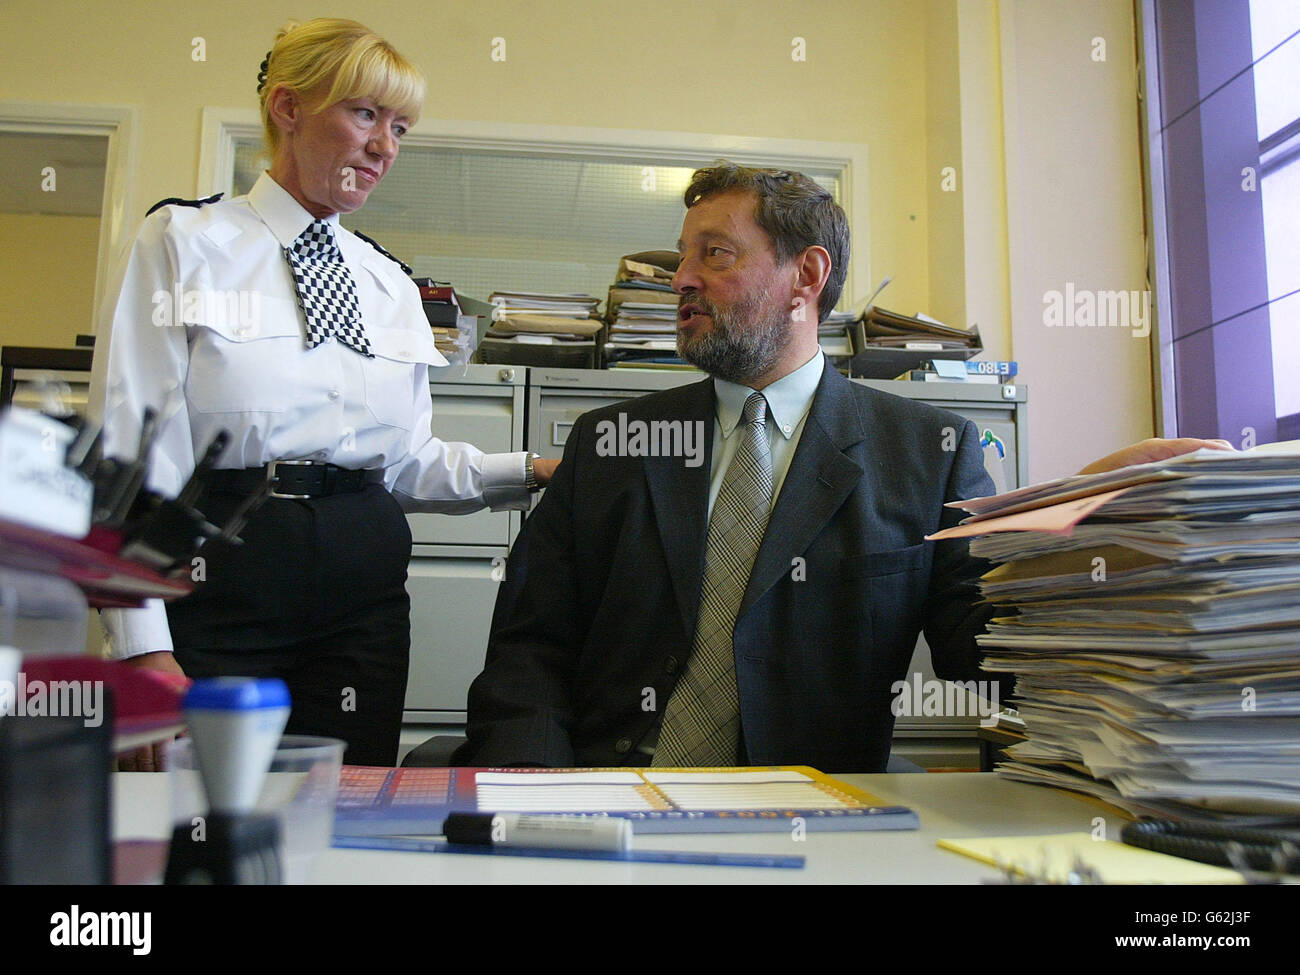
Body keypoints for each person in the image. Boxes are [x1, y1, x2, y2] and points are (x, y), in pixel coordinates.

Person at [454, 162, 1230, 772]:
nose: (680, 278)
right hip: (607, 800)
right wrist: (534, 801)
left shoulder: (930, 453)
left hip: (812, 817)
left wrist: (1087, 512)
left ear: (806, 275)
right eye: (681, 256)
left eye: (713, 254)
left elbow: (988, 649)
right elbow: (529, 652)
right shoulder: (609, 444)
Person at [89, 18, 556, 767]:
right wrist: (142, 646)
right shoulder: (182, 243)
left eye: (400, 126)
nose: (386, 147)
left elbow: (404, 464)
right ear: (287, 108)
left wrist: (532, 470)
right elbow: (132, 455)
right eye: (366, 114)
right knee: (201, 800)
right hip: (219, 570)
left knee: (345, 798)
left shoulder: (389, 284)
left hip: (360, 592)